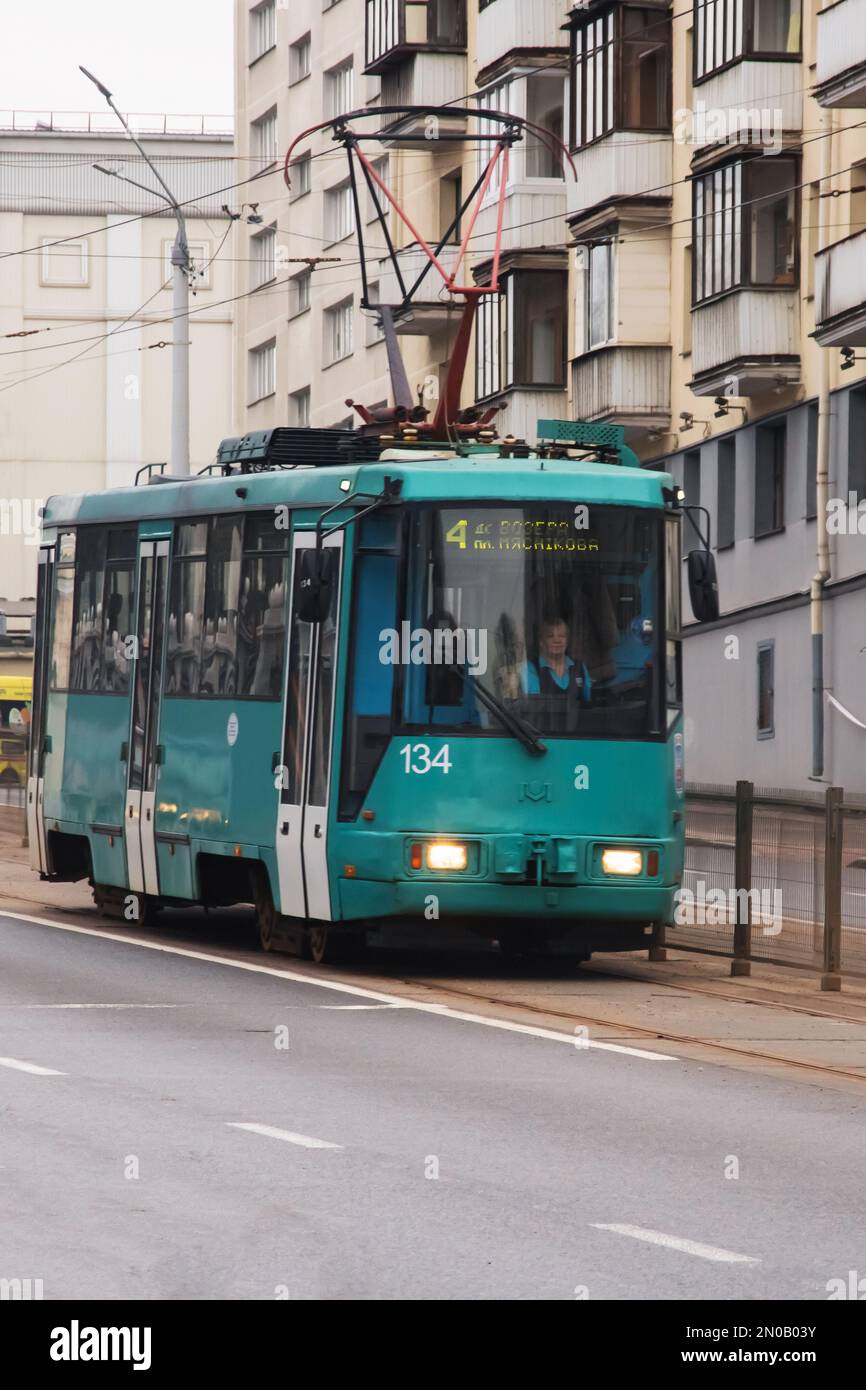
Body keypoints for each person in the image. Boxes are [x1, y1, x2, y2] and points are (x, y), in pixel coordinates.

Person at [520, 616, 591, 700]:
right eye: (550, 636)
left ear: (567, 641)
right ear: (541, 642)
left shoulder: (580, 668)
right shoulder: (530, 668)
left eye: (562, 636)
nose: (557, 640)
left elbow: (588, 704)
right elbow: (535, 706)